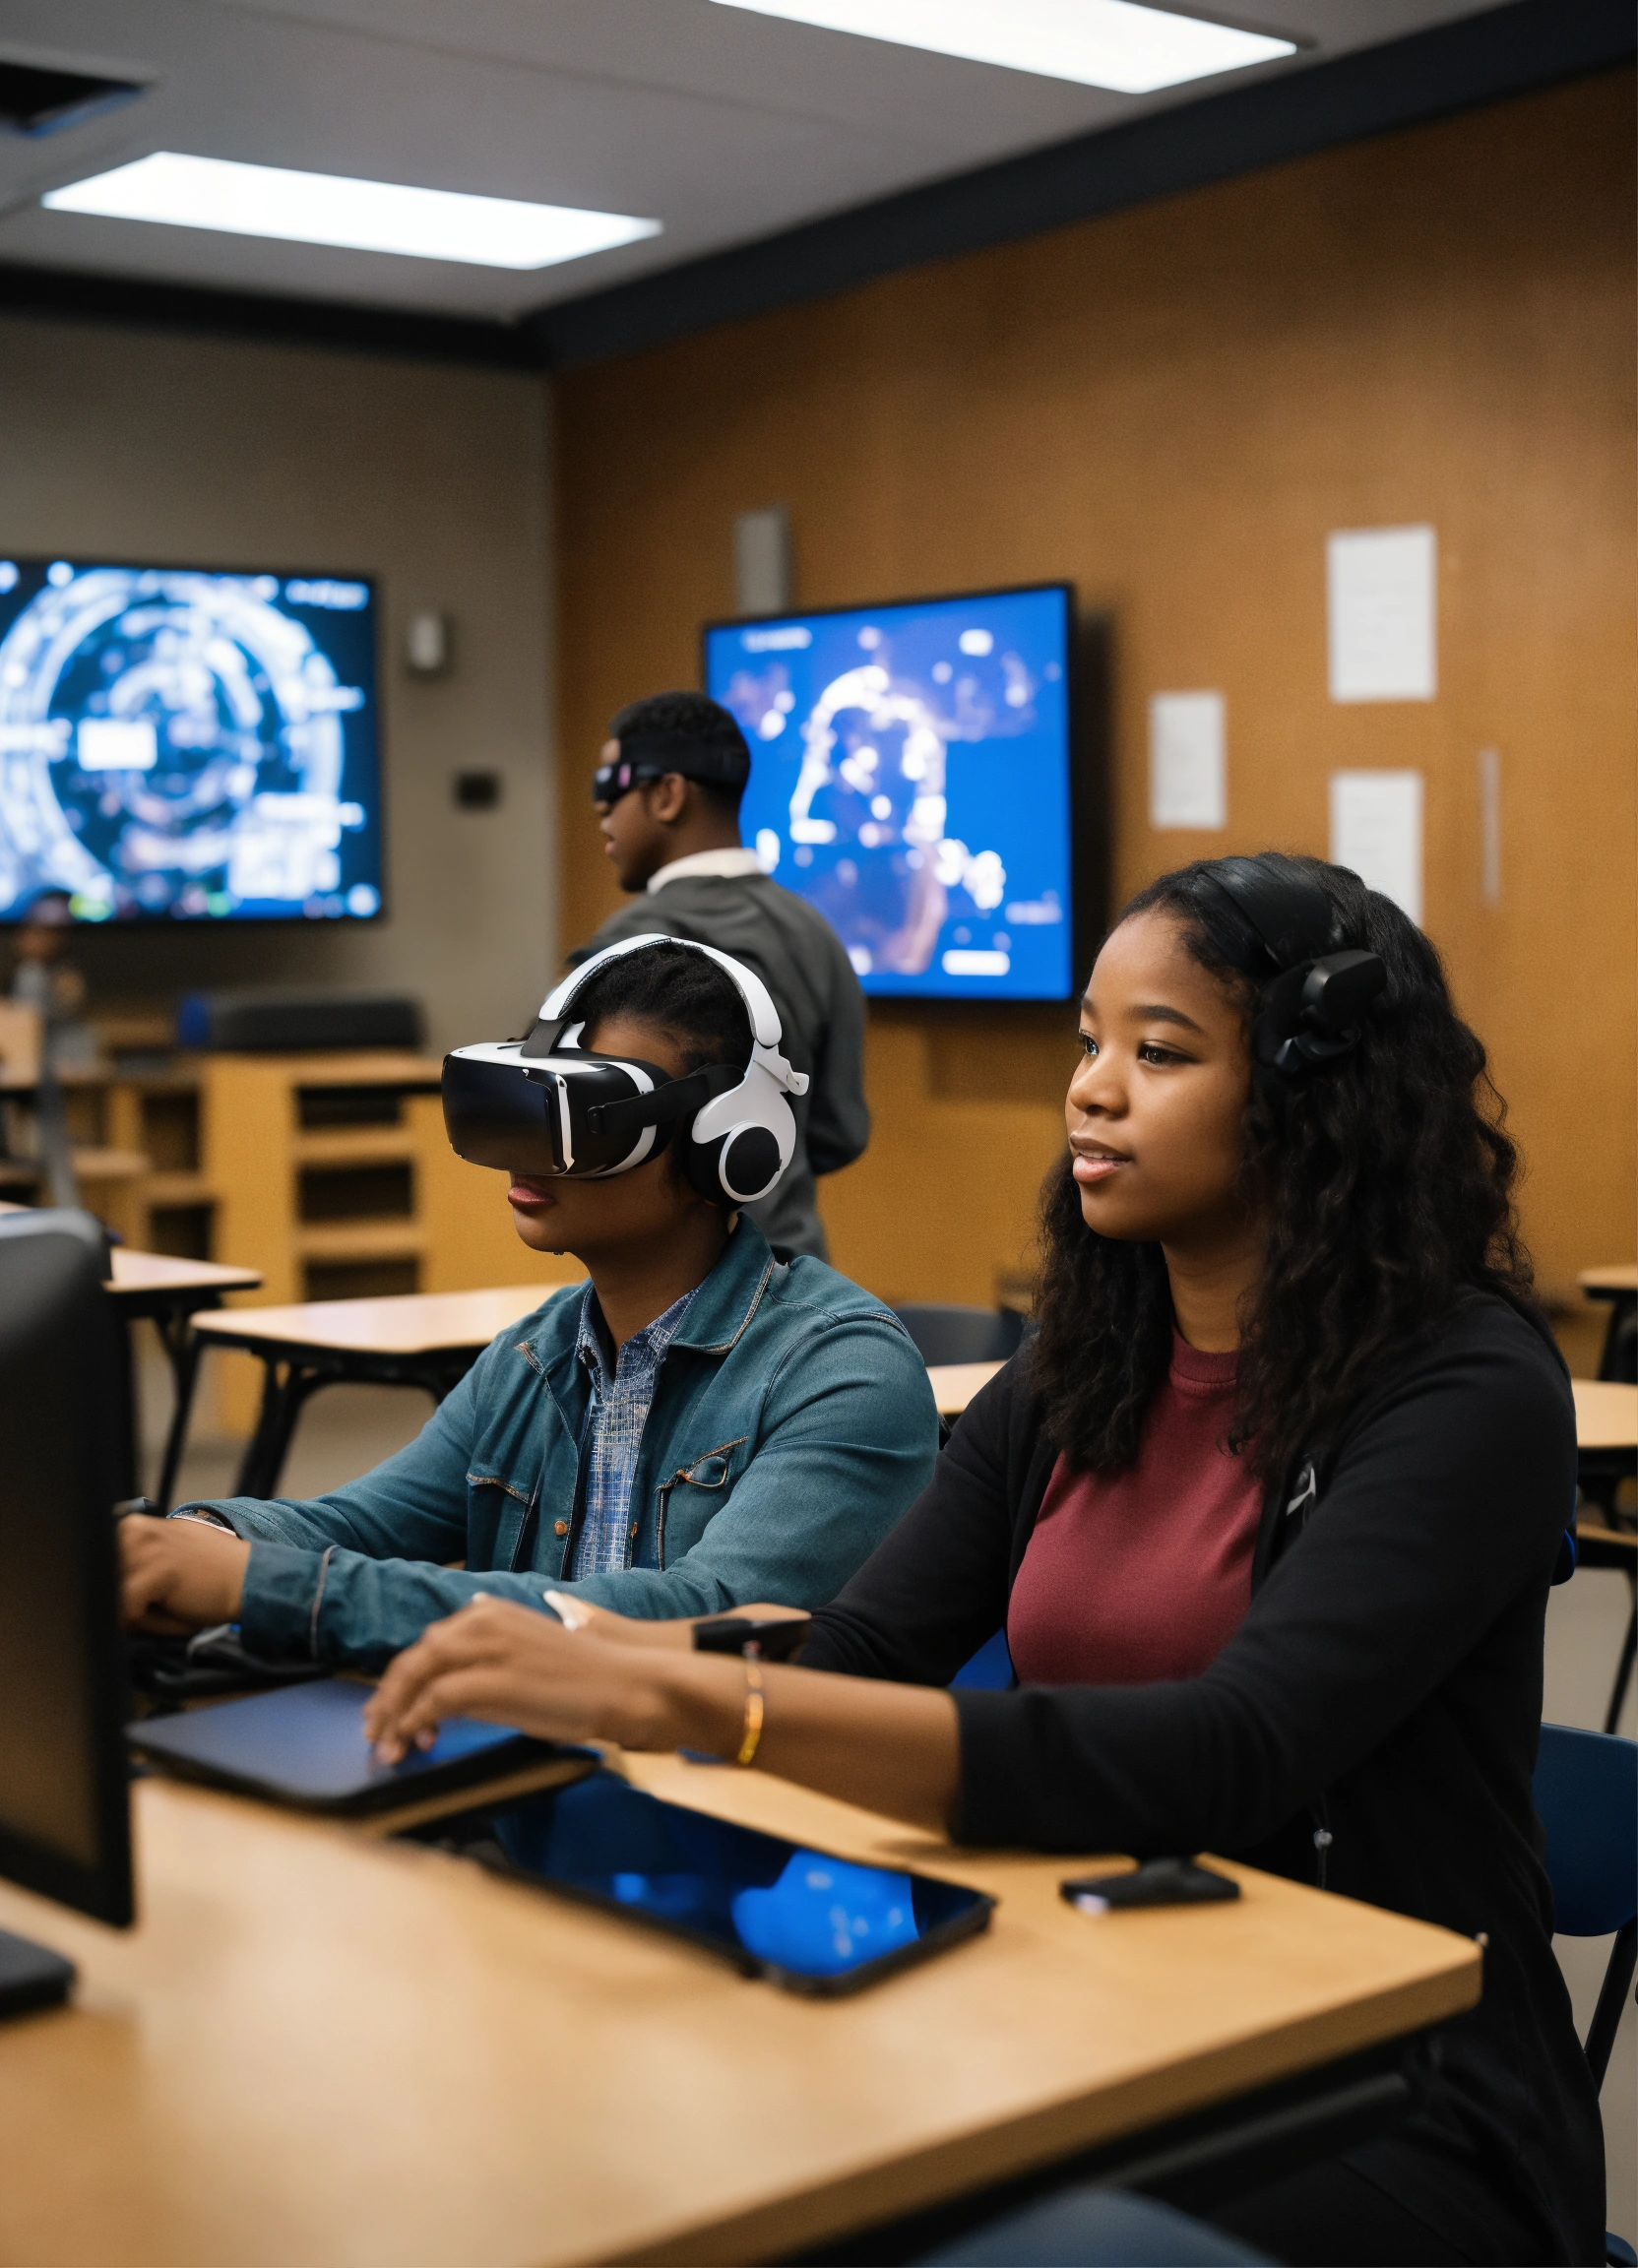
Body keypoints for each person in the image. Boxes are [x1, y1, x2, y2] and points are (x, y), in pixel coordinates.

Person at [362, 854, 1606, 2268]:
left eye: (1162, 1051)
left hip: (1393, 2094)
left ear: (1313, 1096)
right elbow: (863, 1651)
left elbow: (1237, 1749)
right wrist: (591, 1656)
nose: (1092, 1087)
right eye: (1090, 1042)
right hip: (1083, 1998)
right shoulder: (1081, 1369)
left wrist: (702, 1700)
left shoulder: (1464, 1390)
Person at [118, 938, 937, 1665]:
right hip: (529, 1788)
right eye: (525, 1099)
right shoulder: (532, 1357)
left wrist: (275, 1588)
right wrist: (196, 1543)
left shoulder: (843, 1371)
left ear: (727, 1149)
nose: (527, 1151)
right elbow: (359, 1523)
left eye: (584, 1114)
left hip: (731, 1813)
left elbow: (702, 1618)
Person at [573, 690, 868, 1261]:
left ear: (667, 795)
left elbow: (585, 1137)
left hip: (673, 1292)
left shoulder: (622, 950)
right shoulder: (817, 934)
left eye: (609, 785)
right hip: (799, 1281)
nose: (598, 809)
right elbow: (839, 1132)